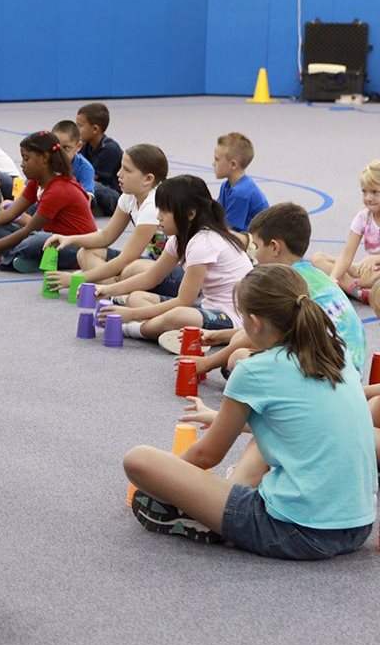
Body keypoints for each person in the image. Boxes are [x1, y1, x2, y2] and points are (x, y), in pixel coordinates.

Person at [124, 265, 377, 559]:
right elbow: (297, 424)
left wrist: (170, 482)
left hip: (296, 530)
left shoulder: (254, 371)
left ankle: (213, 514)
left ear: (254, 322)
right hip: (357, 526)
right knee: (265, 438)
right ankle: (228, 496)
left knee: (139, 460)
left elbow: (206, 456)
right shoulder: (335, 354)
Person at [178, 202, 368, 379]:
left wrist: (207, 363)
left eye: (256, 246)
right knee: (242, 339)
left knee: (238, 358)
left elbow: (259, 332)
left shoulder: (280, 284)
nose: (254, 253)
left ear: (275, 247)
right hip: (350, 374)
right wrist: (220, 335)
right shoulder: (315, 274)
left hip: (325, 375)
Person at [94, 174, 252, 343]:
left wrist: (131, 315)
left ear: (190, 214)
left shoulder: (203, 243)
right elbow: (150, 277)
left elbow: (184, 301)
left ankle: (133, 329)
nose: (158, 217)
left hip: (233, 317)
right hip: (209, 307)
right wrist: (108, 290)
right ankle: (164, 329)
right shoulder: (179, 239)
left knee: (178, 315)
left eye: (164, 211)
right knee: (136, 297)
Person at [43, 144, 172, 292]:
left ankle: (111, 288)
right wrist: (69, 239)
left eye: (127, 170)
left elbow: (127, 258)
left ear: (148, 179)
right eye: (121, 167)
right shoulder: (129, 197)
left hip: (172, 271)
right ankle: (112, 287)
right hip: (149, 263)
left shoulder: (153, 205)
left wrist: (77, 278)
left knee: (131, 269)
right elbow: (105, 236)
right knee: (85, 253)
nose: (119, 173)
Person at [0, 130, 96, 272]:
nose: (22, 164)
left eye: (26, 159)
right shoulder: (36, 181)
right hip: (50, 239)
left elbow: (28, 230)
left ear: (44, 158)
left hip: (75, 250)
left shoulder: (58, 189)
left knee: (37, 240)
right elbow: (11, 213)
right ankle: (21, 258)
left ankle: (16, 257)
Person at [310, 158, 380, 305]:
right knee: (318, 259)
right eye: (364, 192)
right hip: (368, 268)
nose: (368, 198)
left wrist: (376, 258)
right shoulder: (363, 217)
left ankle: (364, 289)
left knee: (370, 278)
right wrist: (333, 278)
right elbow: (347, 255)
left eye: (375, 192)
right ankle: (359, 292)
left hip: (374, 270)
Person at [213, 131, 268, 239]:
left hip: (259, 241)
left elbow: (228, 231)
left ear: (233, 164)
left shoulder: (241, 193)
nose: (213, 163)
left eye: (217, 159)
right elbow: (216, 214)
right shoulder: (226, 186)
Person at [76, 102, 122, 217]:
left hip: (115, 198)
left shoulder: (109, 149)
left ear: (95, 129)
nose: (76, 130)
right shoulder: (85, 146)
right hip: (98, 194)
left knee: (90, 186)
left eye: (80, 126)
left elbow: (88, 178)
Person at [52, 120, 95, 199]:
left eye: (66, 148)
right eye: (56, 147)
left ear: (78, 146)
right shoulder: (46, 162)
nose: (60, 153)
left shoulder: (85, 168)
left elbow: (86, 199)